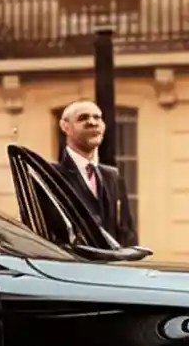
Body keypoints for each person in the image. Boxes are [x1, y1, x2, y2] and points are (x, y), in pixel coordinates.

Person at [55, 99, 137, 247]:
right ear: (65, 126)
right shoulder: (51, 175)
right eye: (83, 118)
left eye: (97, 117)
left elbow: (127, 233)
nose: (92, 122)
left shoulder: (113, 176)